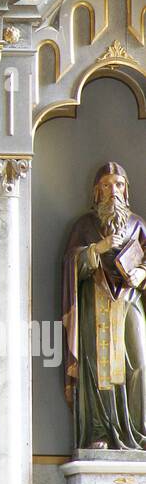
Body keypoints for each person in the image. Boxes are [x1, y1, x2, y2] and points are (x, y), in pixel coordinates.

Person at [62, 163, 146, 450]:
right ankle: (100, 431)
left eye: (119, 184)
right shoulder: (85, 226)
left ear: (126, 190)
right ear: (97, 190)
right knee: (98, 367)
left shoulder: (138, 224)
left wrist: (142, 273)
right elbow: (71, 264)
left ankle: (137, 430)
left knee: (139, 364)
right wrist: (98, 248)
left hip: (129, 302)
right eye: (107, 185)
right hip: (94, 301)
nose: (114, 192)